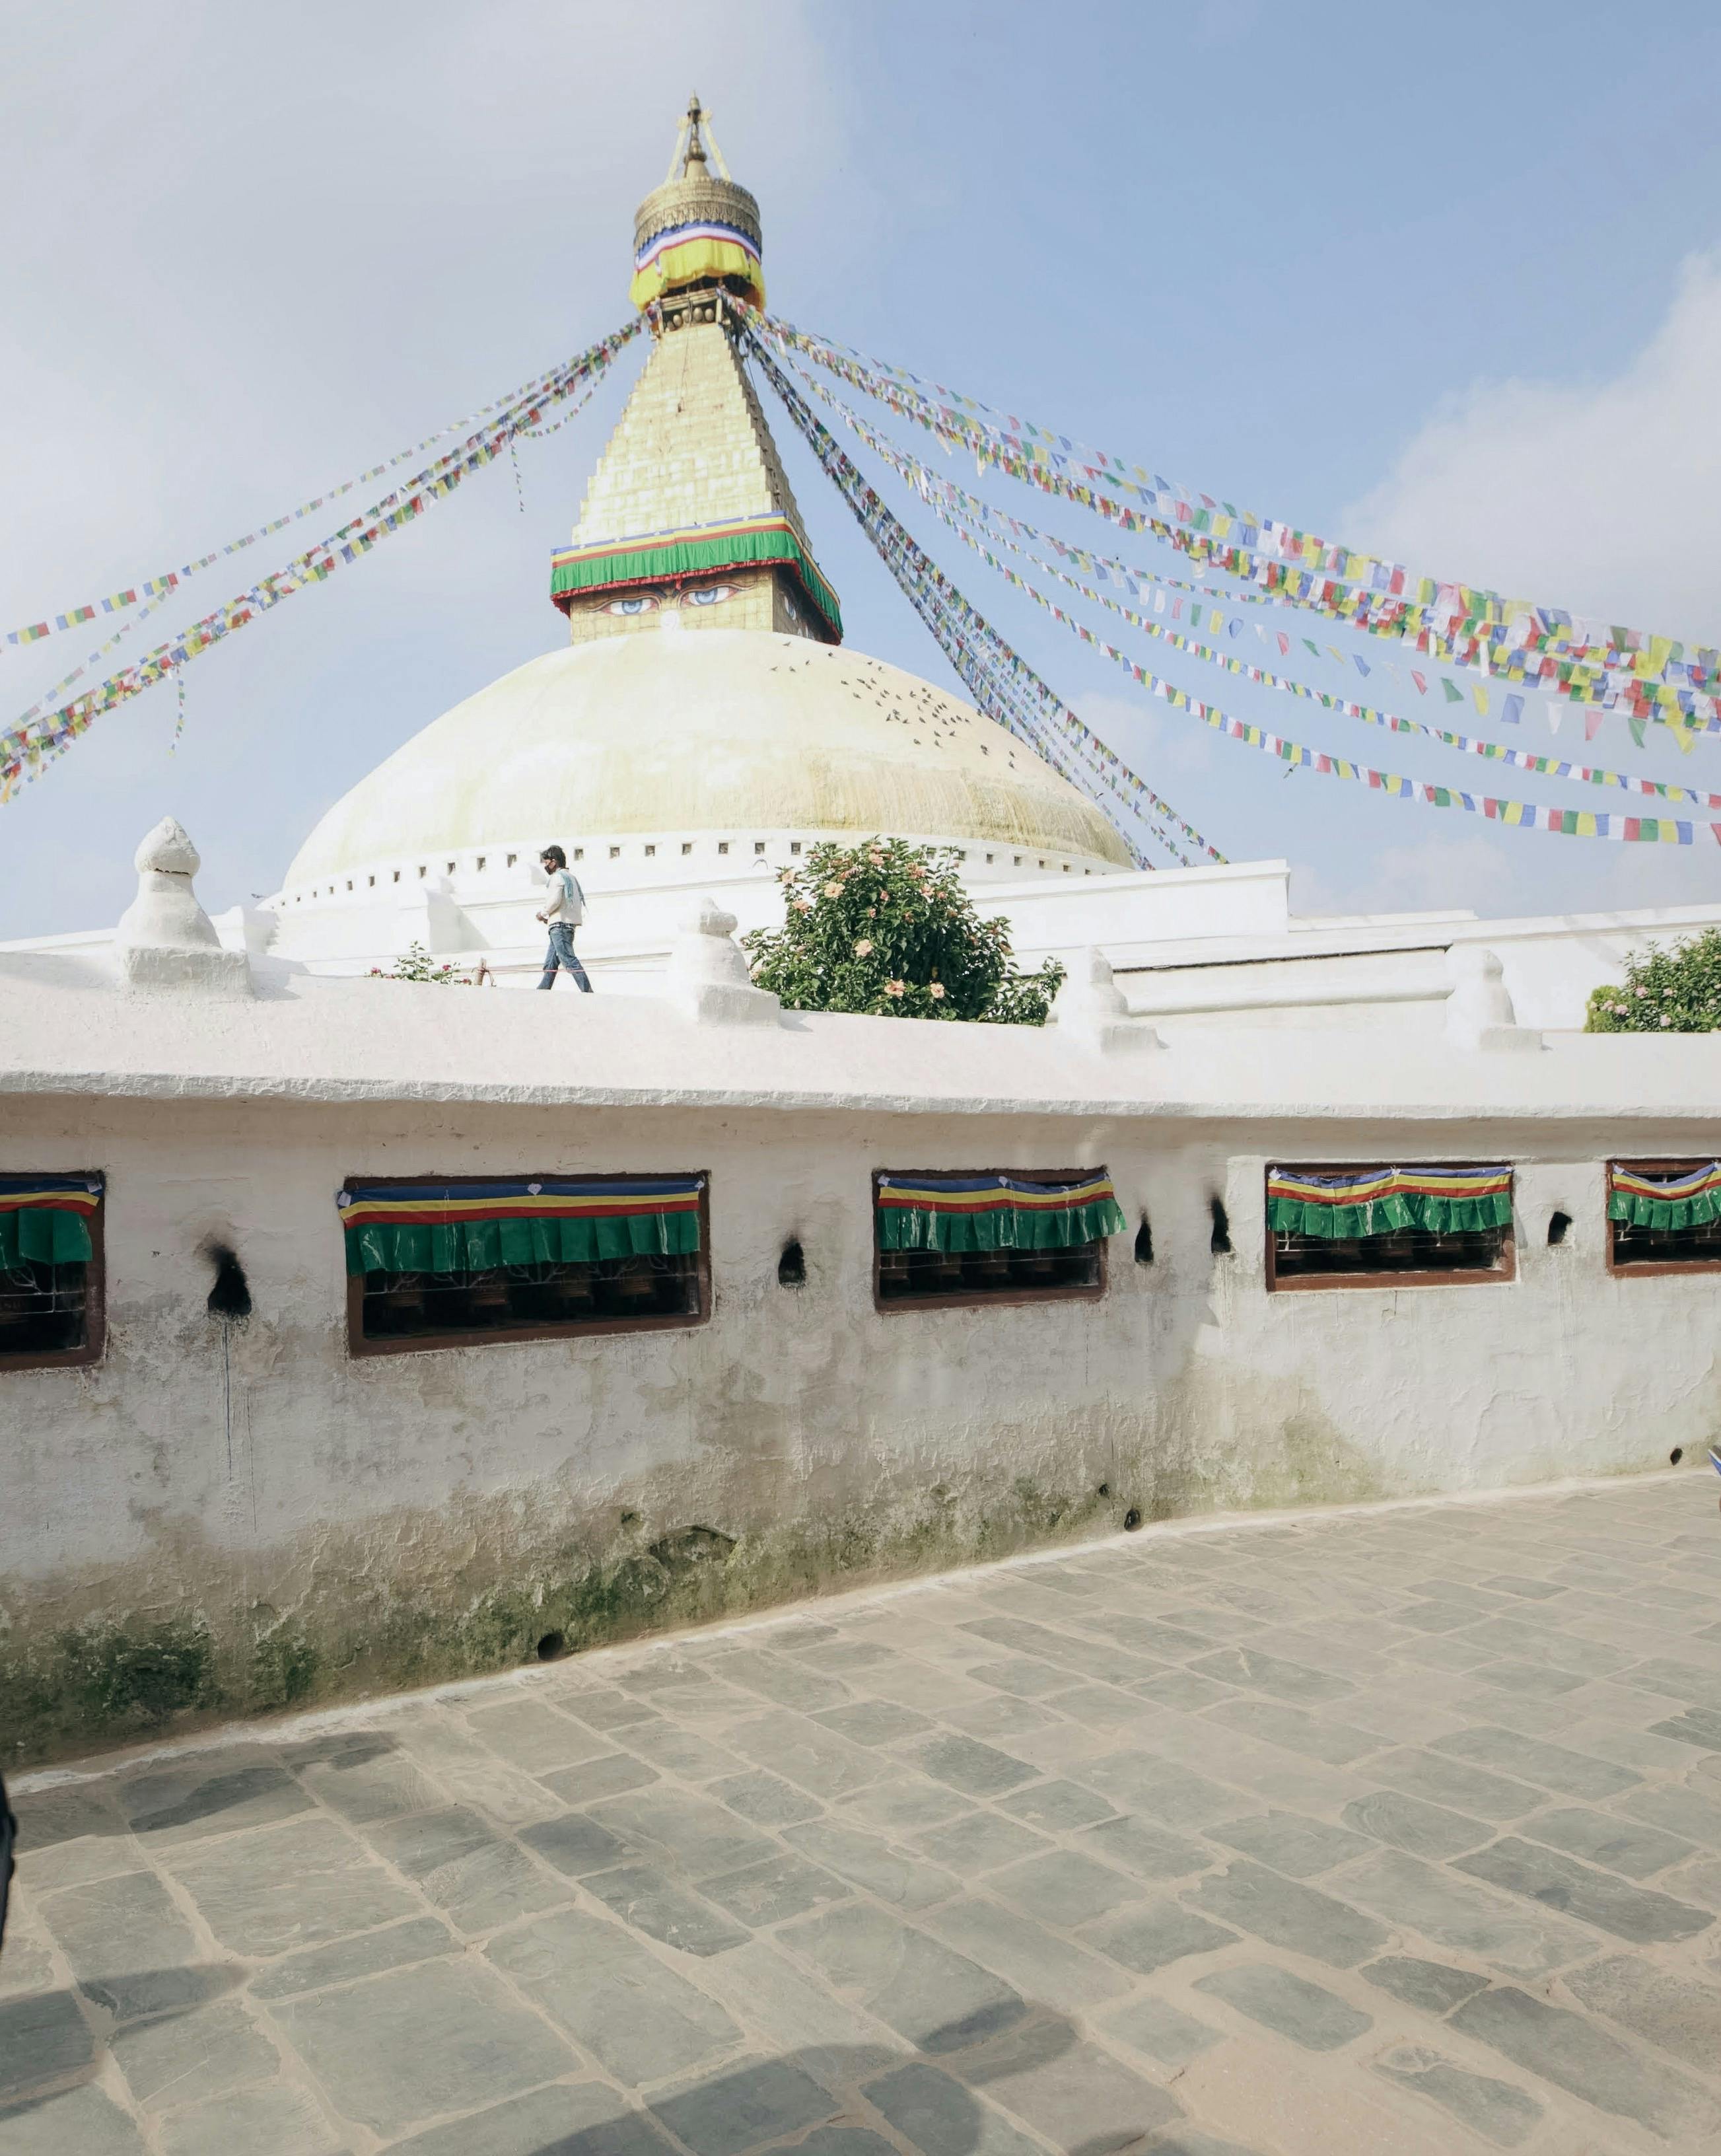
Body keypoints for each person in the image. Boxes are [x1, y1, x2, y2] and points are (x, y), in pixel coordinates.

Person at [536, 845, 592, 991]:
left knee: (568, 960)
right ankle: (543, 989)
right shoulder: (571, 878)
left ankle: (588, 991)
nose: (546, 866)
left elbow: (554, 900)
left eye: (547, 862)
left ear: (554, 861)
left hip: (559, 927)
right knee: (551, 963)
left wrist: (543, 913)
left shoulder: (557, 877)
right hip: (566, 925)